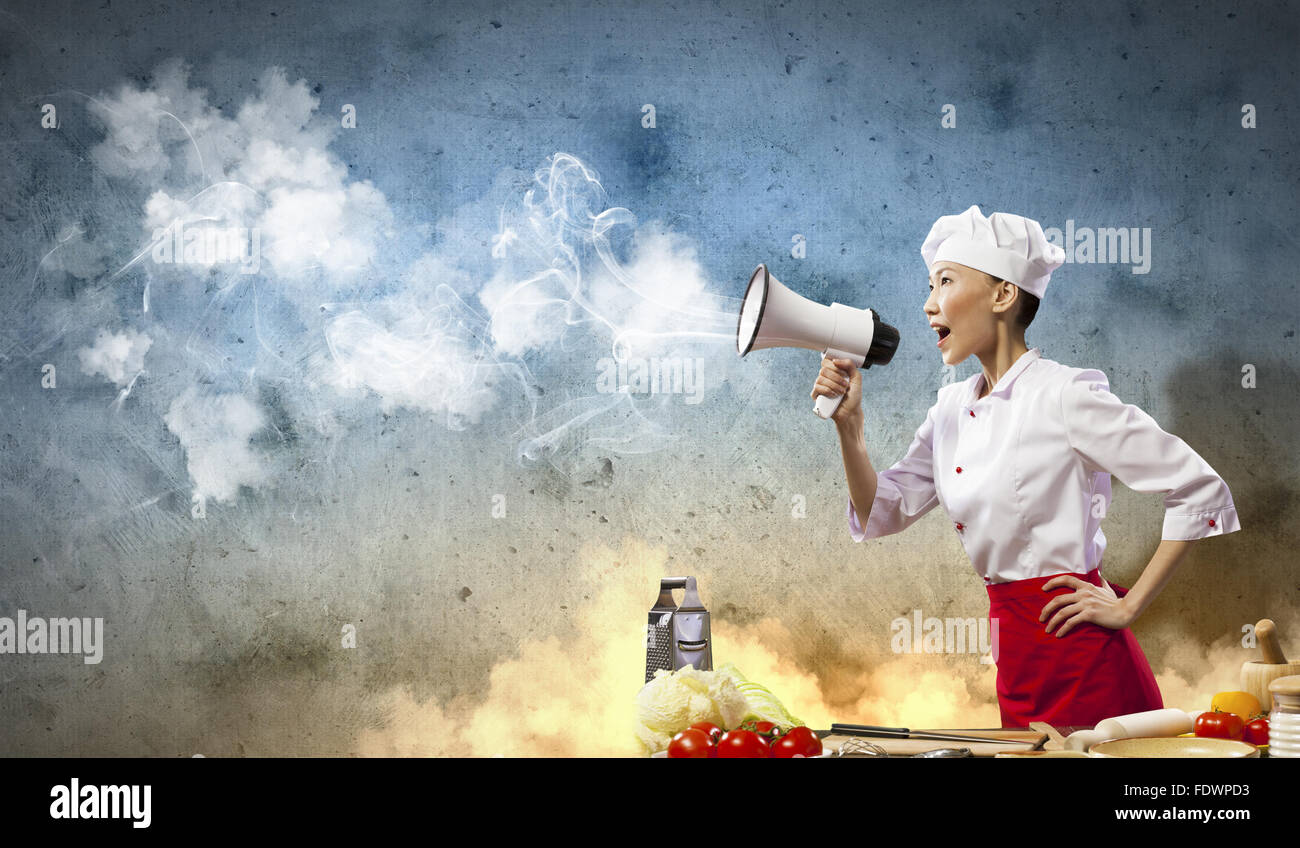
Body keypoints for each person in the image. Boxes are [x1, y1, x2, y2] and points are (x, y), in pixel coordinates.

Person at [814, 205, 1241, 729]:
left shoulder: (1065, 394)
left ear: (1003, 294)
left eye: (945, 282)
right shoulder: (949, 410)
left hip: (1086, 663)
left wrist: (1128, 608)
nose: (928, 306)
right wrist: (849, 429)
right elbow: (880, 512)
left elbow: (1199, 488)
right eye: (929, 286)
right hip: (1015, 663)